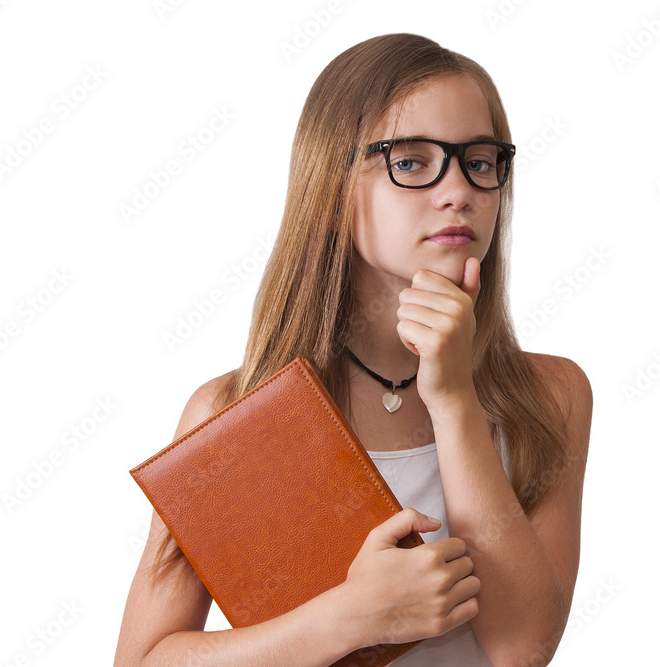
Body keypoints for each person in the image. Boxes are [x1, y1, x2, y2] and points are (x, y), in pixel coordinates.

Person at [115, 33, 592, 666]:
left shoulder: (551, 395)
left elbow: (520, 650)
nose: (459, 192)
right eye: (412, 162)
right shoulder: (236, 409)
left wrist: (452, 399)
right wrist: (346, 619)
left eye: (479, 161)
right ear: (334, 187)